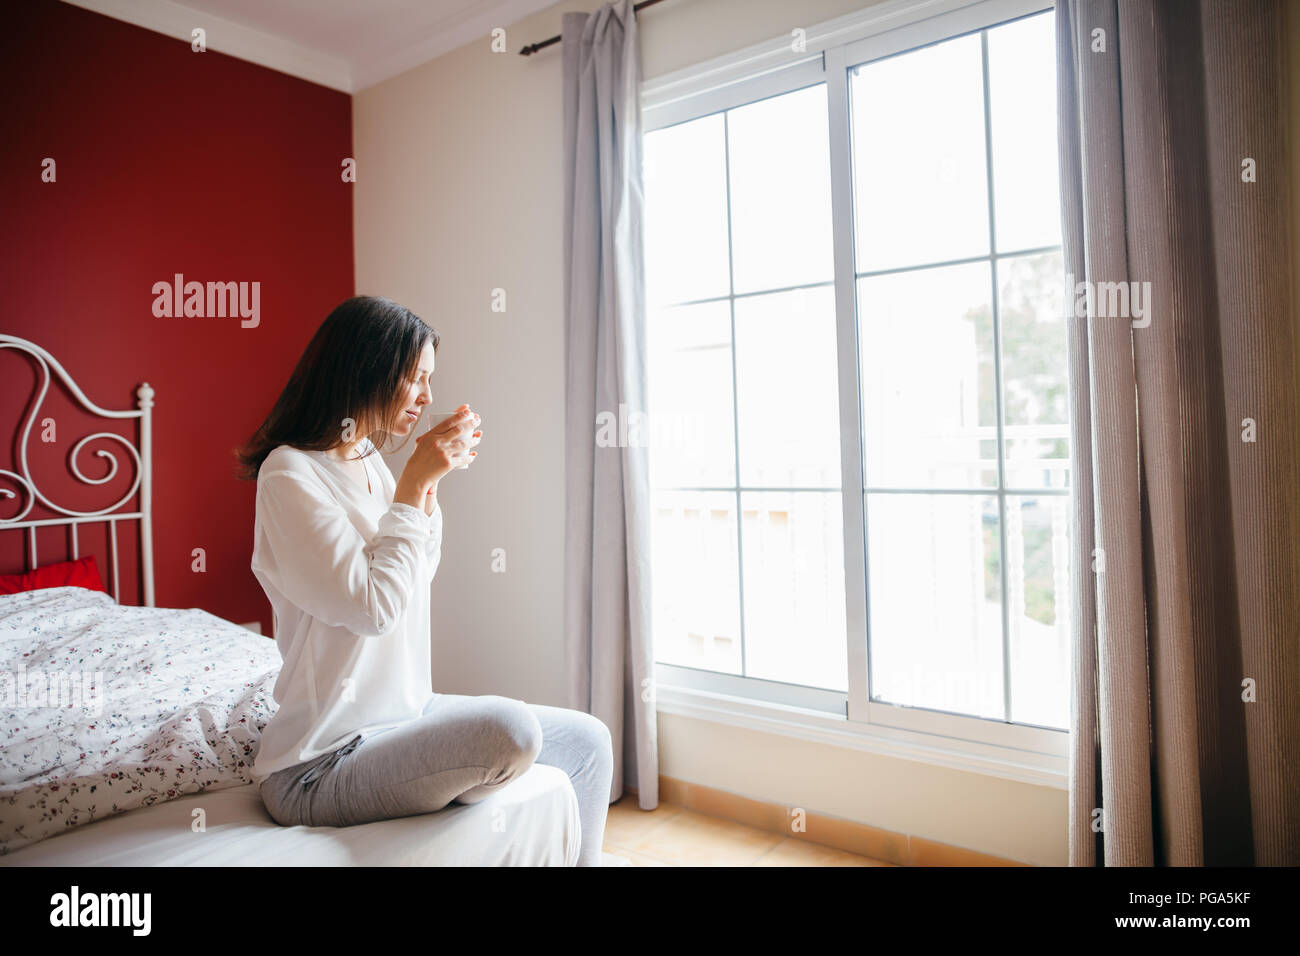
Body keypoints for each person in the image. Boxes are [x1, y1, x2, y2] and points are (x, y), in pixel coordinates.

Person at [234, 295, 613, 866]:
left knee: (588, 741)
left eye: (429, 380)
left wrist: (427, 488)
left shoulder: (363, 457)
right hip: (320, 762)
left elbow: (414, 575)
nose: (428, 397)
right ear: (366, 371)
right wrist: (412, 486)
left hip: (405, 713)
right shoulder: (289, 472)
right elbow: (374, 608)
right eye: (414, 379)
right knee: (508, 731)